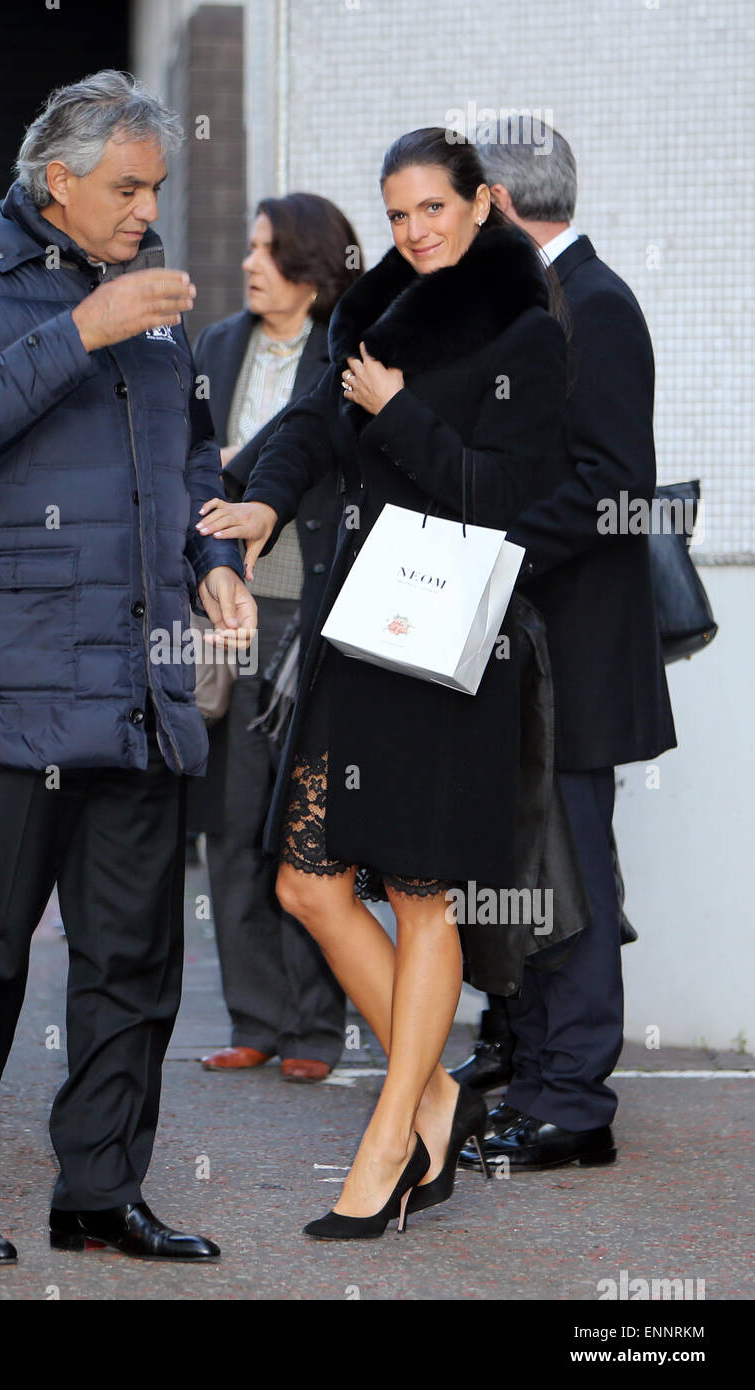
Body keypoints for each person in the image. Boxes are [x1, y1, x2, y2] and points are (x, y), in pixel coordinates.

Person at [0, 71, 255, 1263]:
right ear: (59, 178)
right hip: (11, 690)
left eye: (155, 187)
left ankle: (99, 1193)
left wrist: (213, 549)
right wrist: (78, 331)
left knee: (134, 962)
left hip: (141, 689)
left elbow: (192, 455)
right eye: (126, 186)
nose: (146, 209)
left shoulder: (157, 310)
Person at [198, 129, 569, 1237]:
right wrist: (263, 503)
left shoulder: (526, 331)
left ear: (480, 202)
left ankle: (391, 1138)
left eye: (430, 209)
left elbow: (510, 499)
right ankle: (441, 1097)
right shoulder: (369, 313)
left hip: (450, 642)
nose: (411, 230)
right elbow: (311, 420)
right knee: (304, 883)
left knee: (420, 896)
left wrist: (401, 410)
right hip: (356, 631)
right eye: (396, 212)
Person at [454, 121, 676, 1171]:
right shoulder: (538, 303)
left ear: (497, 202)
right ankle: (538, 1076)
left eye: (458, 203)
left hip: (576, 654)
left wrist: (483, 553)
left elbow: (612, 484)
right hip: (526, 650)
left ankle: (575, 1105)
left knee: (572, 881)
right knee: (533, 877)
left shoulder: (595, 304)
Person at [193, 193, 359, 1083]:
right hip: (225, 613)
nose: (251, 264)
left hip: (310, 612)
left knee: (303, 825)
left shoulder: (344, 351)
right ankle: (252, 1015)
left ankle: (314, 1029)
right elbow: (193, 461)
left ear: (310, 265)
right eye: (251, 247)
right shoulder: (219, 345)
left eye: (268, 250)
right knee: (227, 821)